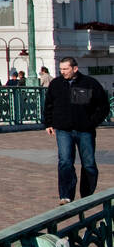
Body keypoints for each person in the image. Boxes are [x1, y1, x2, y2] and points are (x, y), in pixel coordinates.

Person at [43, 57, 110, 203]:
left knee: (89, 164)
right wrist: (48, 123)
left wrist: (91, 123)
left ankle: (86, 195)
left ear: (75, 68)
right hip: (63, 129)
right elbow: (49, 104)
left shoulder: (89, 83)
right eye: (61, 69)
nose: (63, 72)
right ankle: (66, 195)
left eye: (66, 69)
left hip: (85, 131)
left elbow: (103, 106)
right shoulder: (56, 84)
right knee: (65, 162)